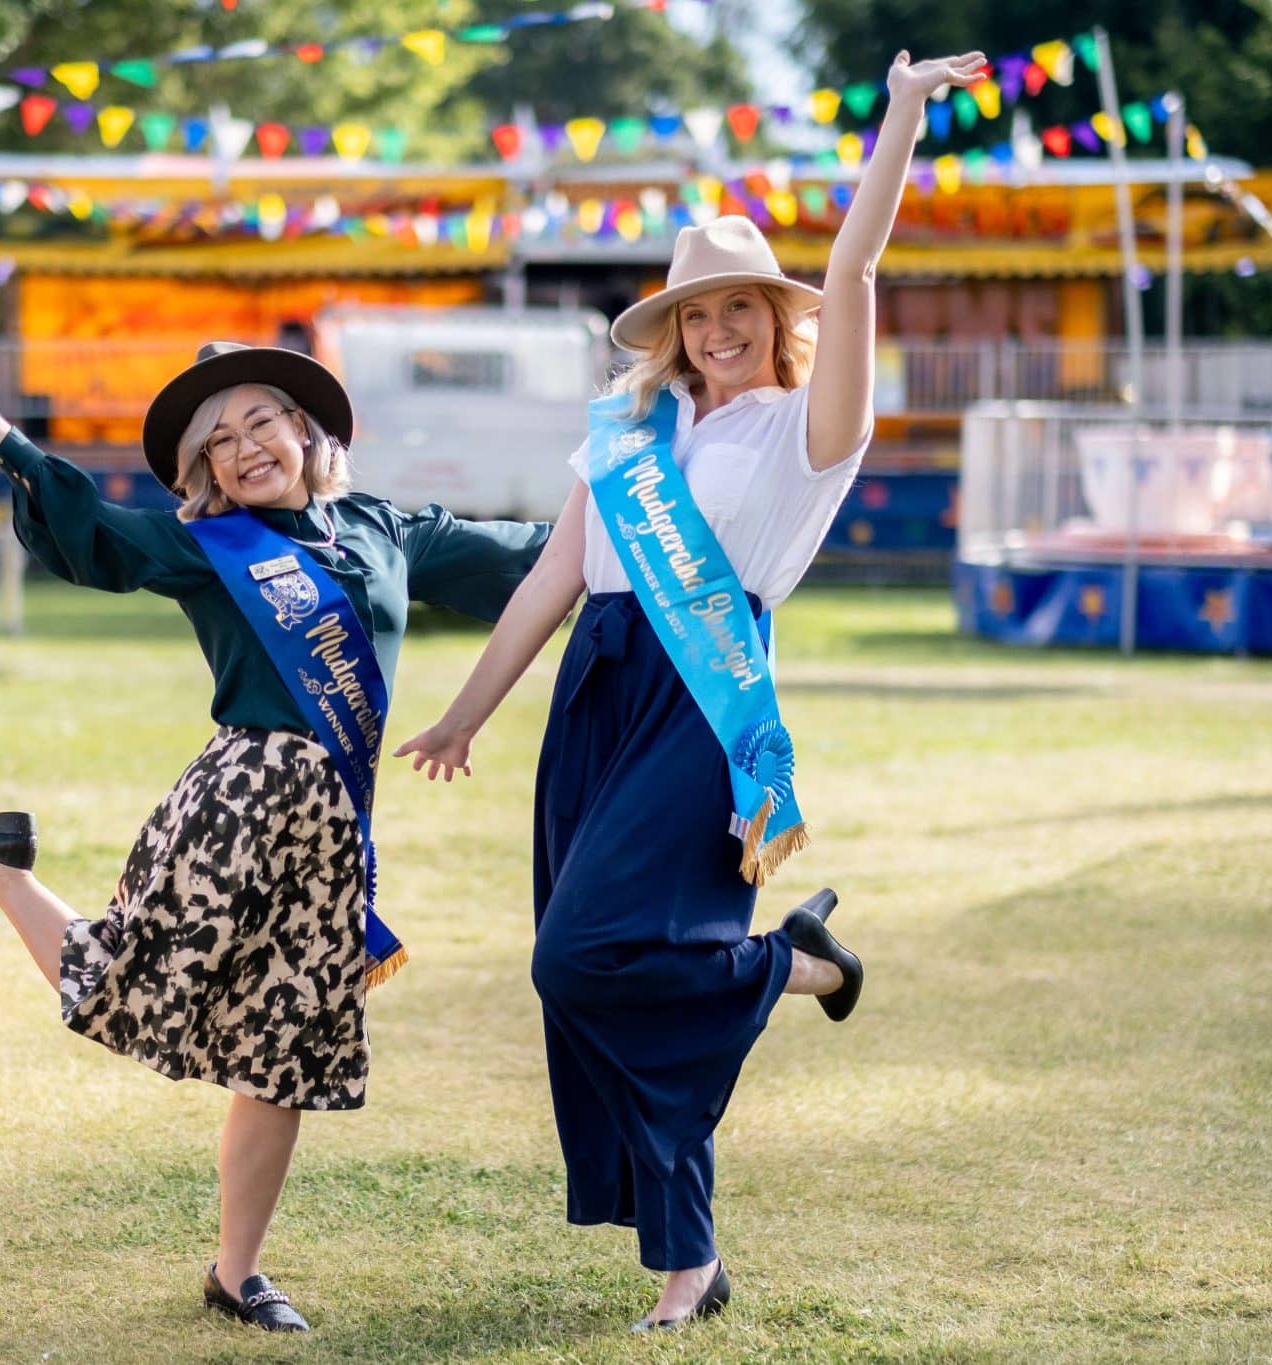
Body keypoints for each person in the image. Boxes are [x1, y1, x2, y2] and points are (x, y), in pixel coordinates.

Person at [396, 50, 989, 1333]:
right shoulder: (629, 434)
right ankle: (689, 1261)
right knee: (583, 979)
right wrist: (463, 714)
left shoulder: (810, 430)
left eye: (739, 309)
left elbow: (855, 273)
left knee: (585, 954)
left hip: (697, 706)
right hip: (596, 696)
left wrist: (897, 114)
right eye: (696, 314)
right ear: (670, 329)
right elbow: (556, 576)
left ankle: (789, 965)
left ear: (774, 318)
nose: (718, 331)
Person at [0, 342, 548, 1331]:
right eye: (218, 442)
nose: (243, 450)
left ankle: (236, 1274)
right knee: (126, 982)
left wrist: (634, 510)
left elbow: (530, 556)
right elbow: (96, 531)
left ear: (305, 430)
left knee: (284, 1048)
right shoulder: (211, 544)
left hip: (331, 831)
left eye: (258, 423)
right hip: (239, 802)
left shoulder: (385, 529)